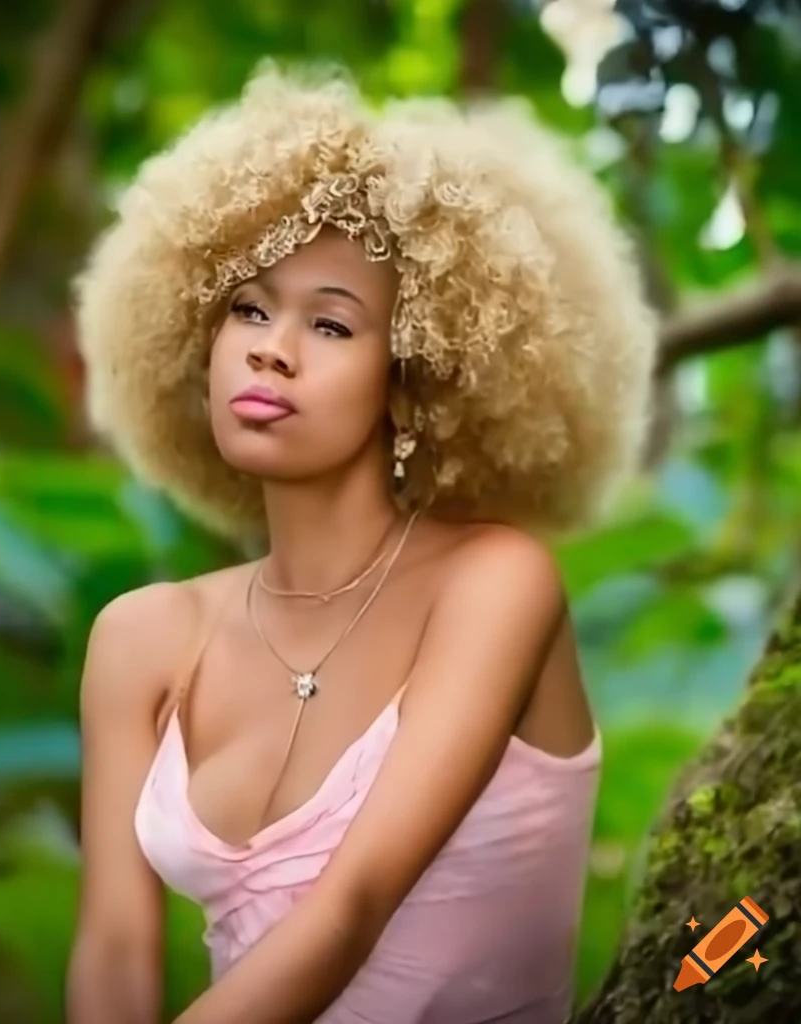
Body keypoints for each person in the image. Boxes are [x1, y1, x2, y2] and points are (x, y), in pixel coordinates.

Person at [66, 64, 657, 1024]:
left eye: (331, 323)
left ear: (413, 383)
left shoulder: (496, 583)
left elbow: (352, 908)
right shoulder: (142, 636)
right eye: (247, 308)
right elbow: (115, 946)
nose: (270, 347)